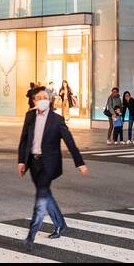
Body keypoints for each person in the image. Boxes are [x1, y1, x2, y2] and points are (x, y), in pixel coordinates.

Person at [16, 88, 87, 250]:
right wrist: (21, 161)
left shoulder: (57, 119)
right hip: (33, 163)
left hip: (49, 163)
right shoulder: (30, 116)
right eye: (38, 98)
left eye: (44, 97)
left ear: (49, 100)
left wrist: (80, 163)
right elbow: (24, 140)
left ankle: (30, 237)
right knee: (45, 193)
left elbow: (70, 142)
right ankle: (60, 224)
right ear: (34, 101)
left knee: (41, 197)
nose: (41, 100)